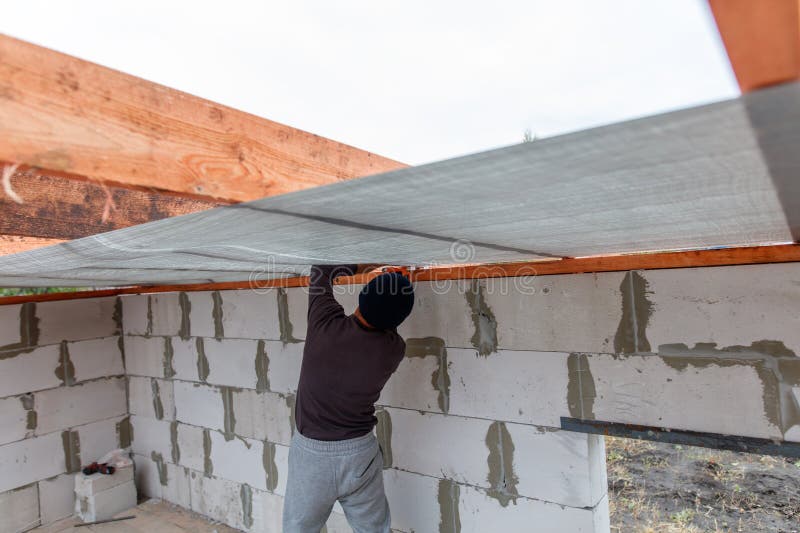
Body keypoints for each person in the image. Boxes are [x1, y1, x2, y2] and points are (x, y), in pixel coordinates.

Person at [282, 264, 415, 533]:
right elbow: (388, 314)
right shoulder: (392, 350)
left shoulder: (323, 325)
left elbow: (321, 271)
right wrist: (401, 287)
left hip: (313, 457)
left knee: (298, 529)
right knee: (374, 529)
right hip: (359, 455)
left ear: (363, 296)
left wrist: (371, 265)